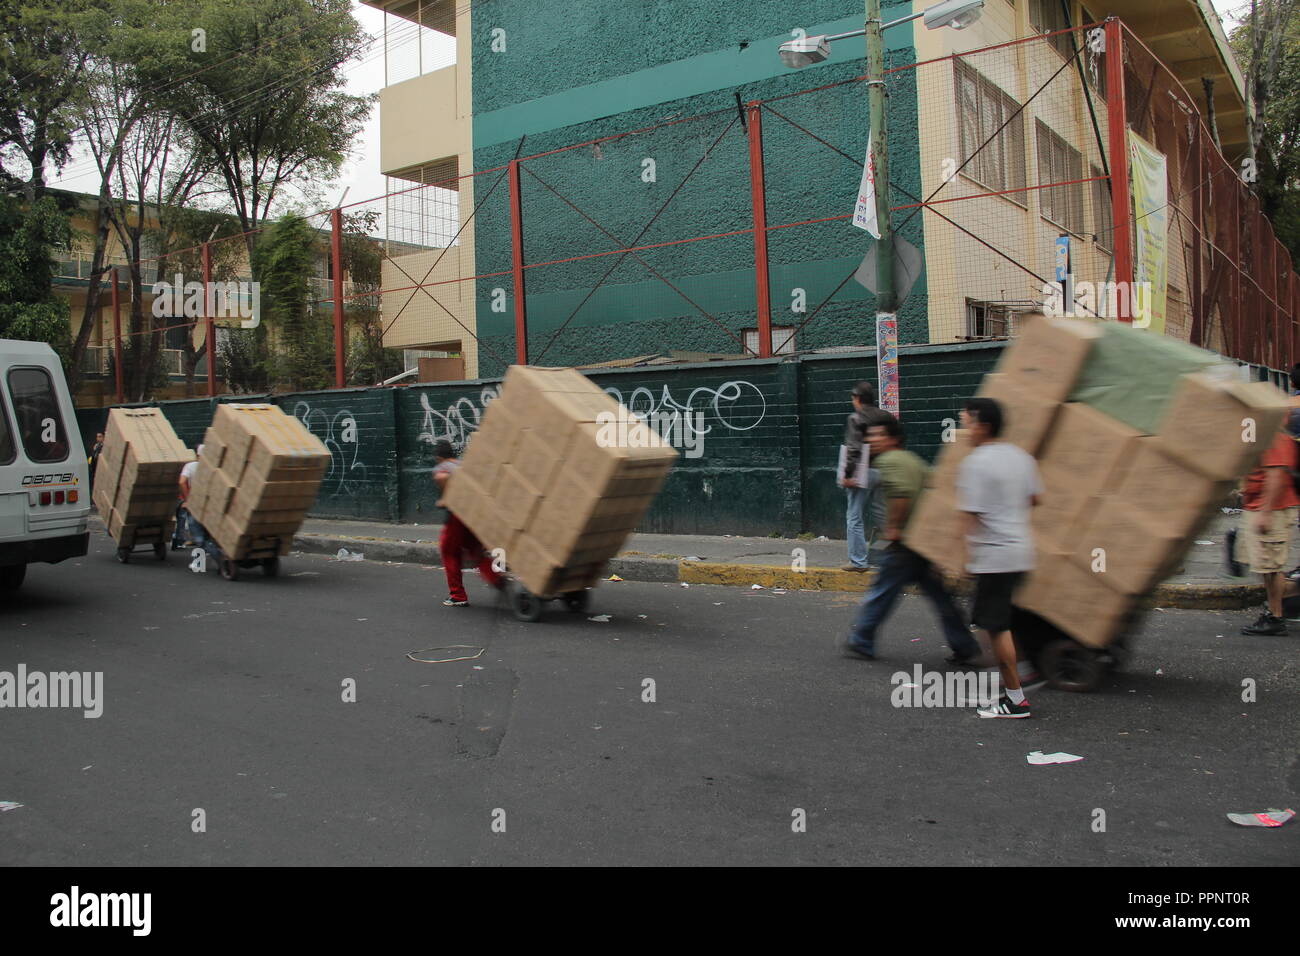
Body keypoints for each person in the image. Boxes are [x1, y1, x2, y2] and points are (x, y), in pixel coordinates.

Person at [842, 419, 981, 663]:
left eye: (879, 435)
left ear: (893, 438)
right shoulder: (912, 459)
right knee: (940, 597)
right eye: (871, 436)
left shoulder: (889, 461)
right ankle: (965, 645)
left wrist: (894, 528)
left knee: (882, 591)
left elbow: (900, 493)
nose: (872, 440)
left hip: (904, 542)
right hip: (921, 540)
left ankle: (861, 639)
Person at [955, 397, 1042, 719]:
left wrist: (965, 559)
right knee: (1004, 619)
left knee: (995, 627)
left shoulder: (976, 463)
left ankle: (1015, 699)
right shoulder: (1021, 457)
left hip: (994, 557)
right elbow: (1034, 498)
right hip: (1021, 551)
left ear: (984, 426)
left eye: (967, 423)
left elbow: (969, 515)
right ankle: (1024, 671)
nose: (965, 430)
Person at [1238, 422, 1300, 635]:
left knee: (1272, 568)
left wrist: (1266, 512)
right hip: (1260, 507)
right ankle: (1274, 613)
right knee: (1266, 567)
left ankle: (1275, 617)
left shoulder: (1273, 435)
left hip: (1274, 509)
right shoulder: (1256, 430)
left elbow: (1277, 476)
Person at [433, 440, 504, 607]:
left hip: (457, 516)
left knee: (448, 551)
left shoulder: (442, 468)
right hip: (472, 515)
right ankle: (497, 578)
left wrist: (444, 499)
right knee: (474, 549)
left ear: (439, 457)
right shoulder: (463, 465)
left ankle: (457, 595)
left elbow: (441, 476)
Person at [840, 381, 896, 572]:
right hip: (885, 469)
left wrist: (847, 475)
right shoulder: (886, 416)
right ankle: (898, 557)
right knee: (883, 515)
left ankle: (858, 561)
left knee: (854, 516)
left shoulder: (856, 418)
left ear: (857, 399)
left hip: (863, 472)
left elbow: (854, 449)